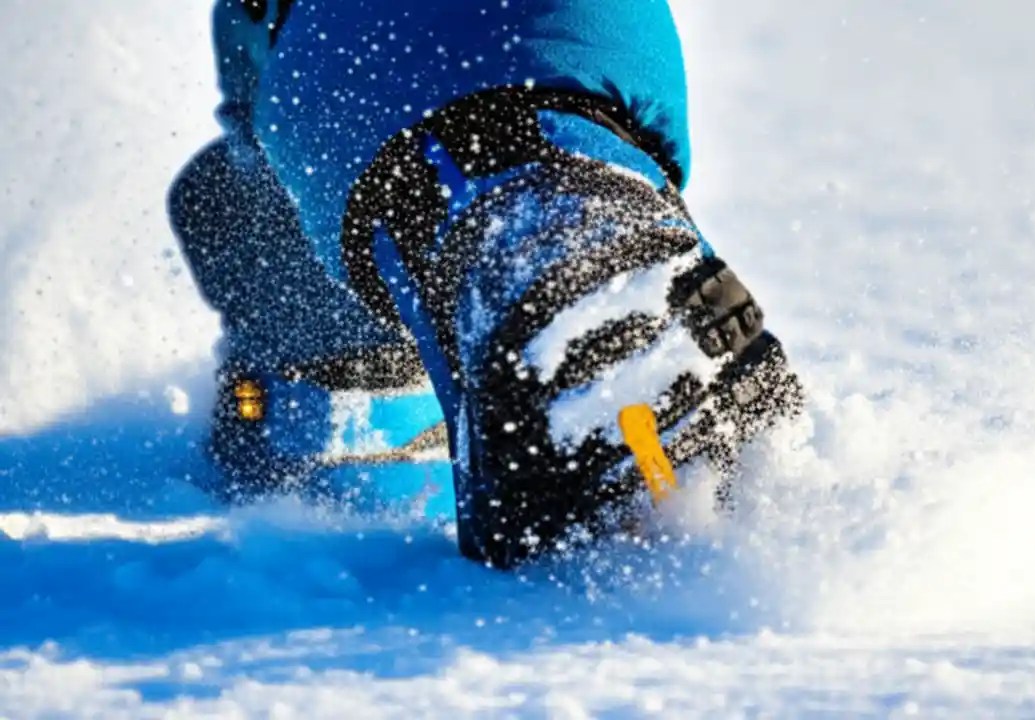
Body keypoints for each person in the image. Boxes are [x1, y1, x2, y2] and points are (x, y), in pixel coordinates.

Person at [170, 0, 802, 568]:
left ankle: (377, 385)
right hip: (604, 31)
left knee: (235, 202)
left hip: (354, 77)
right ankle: (578, 218)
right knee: (589, 154)